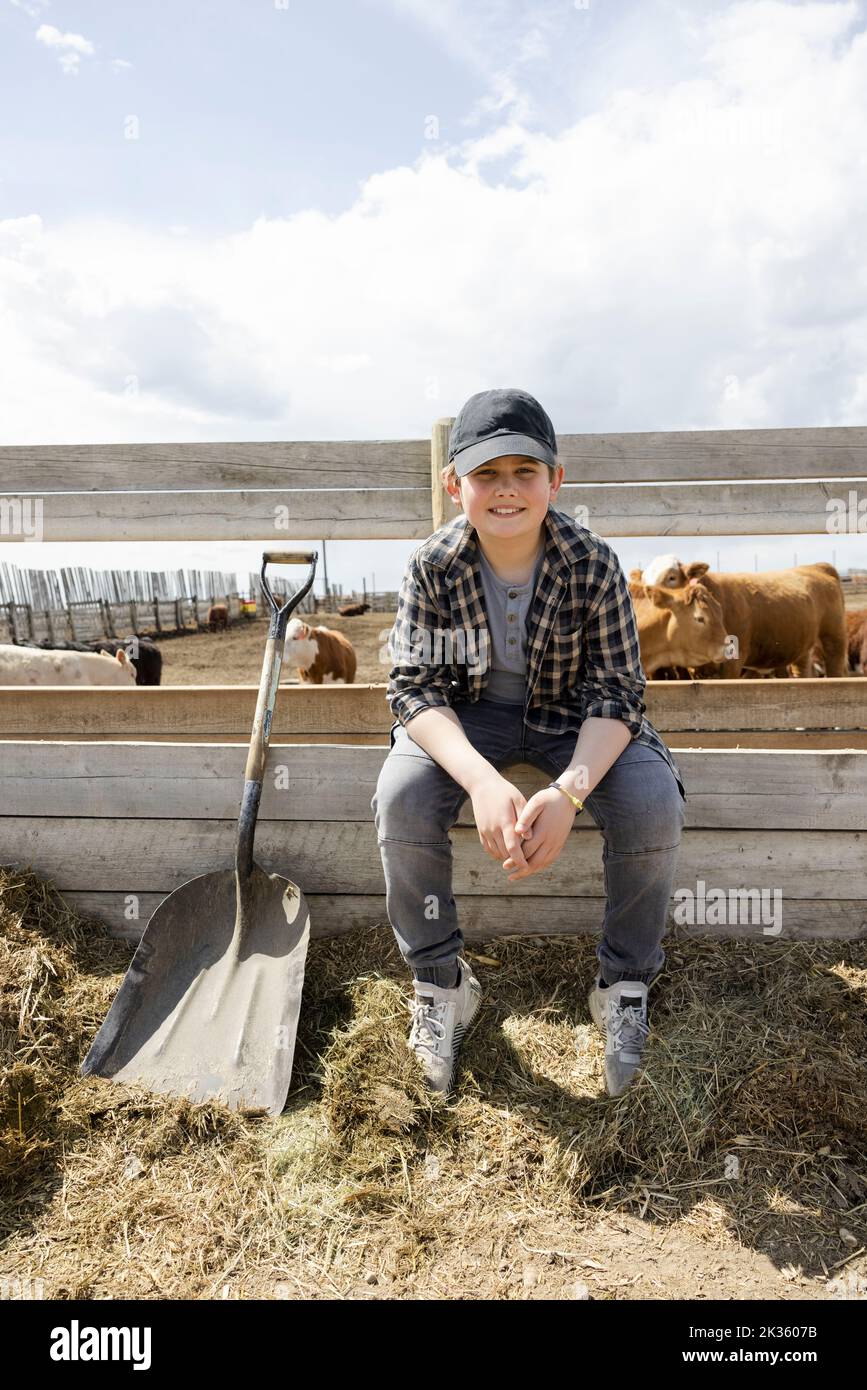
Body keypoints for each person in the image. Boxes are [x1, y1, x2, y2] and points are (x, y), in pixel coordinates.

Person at [371, 387, 686, 1098]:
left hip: (575, 719)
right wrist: (482, 781)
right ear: (455, 487)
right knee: (401, 796)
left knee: (648, 798)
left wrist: (570, 789)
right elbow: (414, 691)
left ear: (555, 481)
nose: (505, 490)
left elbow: (615, 693)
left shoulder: (590, 563)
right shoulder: (432, 567)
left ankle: (623, 984)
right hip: (465, 717)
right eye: (486, 474)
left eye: (524, 472)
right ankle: (441, 983)